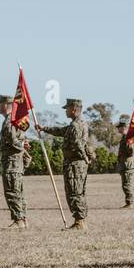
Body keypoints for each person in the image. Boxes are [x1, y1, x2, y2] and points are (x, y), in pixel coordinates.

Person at [38, 98, 94, 230]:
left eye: (67, 108)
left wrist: (85, 158)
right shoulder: (80, 123)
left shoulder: (75, 125)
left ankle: (79, 222)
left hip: (75, 163)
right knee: (79, 191)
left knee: (74, 192)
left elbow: (78, 145)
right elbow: (60, 131)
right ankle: (81, 220)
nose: (65, 111)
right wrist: (44, 129)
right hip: (78, 163)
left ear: (74, 109)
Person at [0, 94, 30, 229]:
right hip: (16, 161)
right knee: (18, 191)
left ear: (6, 105)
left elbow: (12, 141)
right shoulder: (17, 119)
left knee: (12, 191)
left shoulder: (9, 121)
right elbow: (22, 138)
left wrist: (22, 146)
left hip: (11, 162)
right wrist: (24, 145)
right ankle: (23, 219)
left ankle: (19, 220)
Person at [117, 131, 134, 207]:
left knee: (127, 184)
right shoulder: (124, 138)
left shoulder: (128, 138)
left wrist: (130, 150)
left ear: (125, 128)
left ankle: (130, 203)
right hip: (124, 165)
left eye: (120, 127)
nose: (119, 129)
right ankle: (128, 202)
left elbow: (131, 151)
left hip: (127, 165)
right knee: (125, 184)